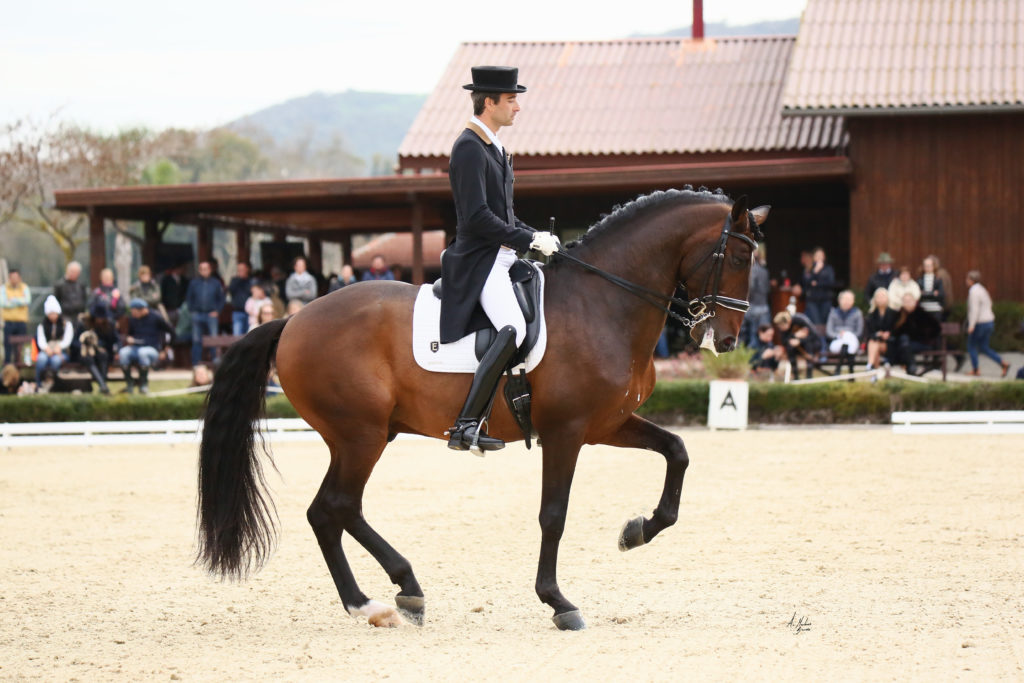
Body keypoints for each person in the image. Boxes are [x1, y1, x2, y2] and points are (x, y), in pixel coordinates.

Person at [441, 65, 559, 451]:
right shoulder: (469, 147)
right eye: (511, 99)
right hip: (481, 261)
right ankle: (465, 425)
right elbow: (477, 217)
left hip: (503, 257)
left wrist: (537, 237)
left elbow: (504, 217)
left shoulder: (495, 148)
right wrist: (527, 238)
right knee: (514, 327)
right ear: (489, 102)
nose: (517, 107)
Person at [118, 298, 175, 394]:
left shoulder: (155, 317)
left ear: (142, 310)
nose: (132, 314)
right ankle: (129, 383)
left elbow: (172, 332)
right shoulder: (133, 319)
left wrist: (165, 350)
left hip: (151, 348)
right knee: (123, 353)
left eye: (134, 311)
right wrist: (129, 339)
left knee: (143, 353)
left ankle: (143, 384)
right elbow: (130, 334)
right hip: (135, 347)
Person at [964, 270, 1011, 377]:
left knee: (971, 346)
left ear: (971, 280)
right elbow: (990, 303)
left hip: (980, 323)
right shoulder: (982, 289)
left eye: (967, 279)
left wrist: (971, 325)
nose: (966, 281)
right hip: (989, 321)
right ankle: (1002, 363)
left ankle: (976, 369)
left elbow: (974, 309)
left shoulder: (973, 291)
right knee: (984, 347)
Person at [185, 261, 225, 366]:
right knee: (196, 340)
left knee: (213, 340)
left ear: (210, 270)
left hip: (211, 315)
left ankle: (216, 363)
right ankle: (196, 364)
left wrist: (217, 311)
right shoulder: (194, 283)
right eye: (202, 269)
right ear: (199, 271)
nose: (204, 271)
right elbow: (189, 298)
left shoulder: (216, 283)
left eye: (206, 269)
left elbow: (221, 299)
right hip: (197, 314)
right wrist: (192, 311)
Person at [892, 293, 940, 375]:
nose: (908, 303)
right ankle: (912, 368)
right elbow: (894, 332)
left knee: (905, 345)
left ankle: (911, 367)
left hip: (921, 343)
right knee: (904, 340)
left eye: (909, 301)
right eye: (905, 301)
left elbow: (936, 328)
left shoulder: (922, 313)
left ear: (915, 302)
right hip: (904, 344)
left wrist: (928, 337)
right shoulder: (899, 315)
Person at [34, 295, 73, 392]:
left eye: (54, 313)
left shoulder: (66, 324)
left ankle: (54, 385)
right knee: (41, 359)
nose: (52, 316)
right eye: (50, 313)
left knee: (55, 361)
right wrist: (46, 348)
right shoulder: (42, 325)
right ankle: (39, 384)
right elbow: (41, 340)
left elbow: (67, 339)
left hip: (61, 351)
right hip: (47, 350)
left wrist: (59, 347)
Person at [78, 305, 117, 395]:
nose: (100, 320)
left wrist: (100, 346)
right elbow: (76, 341)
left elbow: (114, 340)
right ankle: (103, 386)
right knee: (88, 358)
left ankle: (102, 386)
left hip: (102, 352)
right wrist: (86, 344)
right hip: (86, 352)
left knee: (104, 355)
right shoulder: (84, 324)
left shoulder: (109, 325)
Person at [773, 310, 823, 379]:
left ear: (788, 321)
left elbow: (814, 335)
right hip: (797, 348)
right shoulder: (782, 328)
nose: (781, 328)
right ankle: (796, 376)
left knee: (808, 344)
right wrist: (795, 336)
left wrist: (800, 341)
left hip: (812, 344)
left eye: (782, 326)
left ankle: (809, 375)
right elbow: (784, 341)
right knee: (790, 347)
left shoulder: (800, 320)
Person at [825, 290, 864, 376]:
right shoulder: (833, 312)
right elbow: (829, 331)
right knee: (845, 344)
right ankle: (851, 373)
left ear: (853, 301)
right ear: (839, 300)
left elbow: (859, 332)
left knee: (848, 341)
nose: (846, 301)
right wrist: (839, 335)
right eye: (844, 299)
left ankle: (838, 369)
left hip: (852, 340)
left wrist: (847, 334)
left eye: (849, 299)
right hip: (838, 340)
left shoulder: (857, 313)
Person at [739, 243, 771, 347]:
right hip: (764, 307)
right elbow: (767, 289)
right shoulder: (764, 270)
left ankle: (748, 355)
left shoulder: (751, 269)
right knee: (763, 335)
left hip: (752, 306)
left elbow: (751, 288)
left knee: (749, 336)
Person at [1, 268, 31, 365]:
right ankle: (7, 367)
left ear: (19, 278)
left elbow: (27, 301)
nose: (14, 279)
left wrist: (12, 300)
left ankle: (21, 367)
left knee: (21, 347)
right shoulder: (4, 288)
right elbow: (3, 303)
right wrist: (19, 301)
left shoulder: (24, 287)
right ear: (9, 278)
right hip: (8, 322)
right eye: (12, 277)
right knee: (7, 346)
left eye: (16, 277)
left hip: (21, 322)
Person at [864, 287, 898, 372]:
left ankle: (871, 367)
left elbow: (897, 330)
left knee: (875, 344)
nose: (881, 299)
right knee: (874, 343)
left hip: (890, 343)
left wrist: (888, 334)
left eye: (883, 296)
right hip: (875, 341)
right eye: (878, 297)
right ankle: (871, 366)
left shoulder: (894, 314)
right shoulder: (871, 315)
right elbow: (869, 332)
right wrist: (878, 334)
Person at [801, 246, 835, 325]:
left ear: (824, 257)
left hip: (825, 299)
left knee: (824, 322)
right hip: (812, 300)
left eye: (821, 255)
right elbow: (806, 282)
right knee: (816, 322)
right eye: (817, 255)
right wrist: (815, 272)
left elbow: (831, 283)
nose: (819, 257)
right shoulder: (809, 269)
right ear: (814, 257)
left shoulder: (828, 269)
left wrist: (817, 283)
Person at [227, 261, 254, 335]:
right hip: (237, 312)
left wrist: (244, 279)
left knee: (250, 335)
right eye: (239, 270)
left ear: (247, 269)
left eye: (242, 269)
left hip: (249, 313)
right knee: (237, 336)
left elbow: (253, 293)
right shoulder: (234, 280)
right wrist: (239, 279)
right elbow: (231, 290)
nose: (241, 271)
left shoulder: (251, 281)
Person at [916, 256, 946, 320]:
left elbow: (941, 294)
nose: (927, 268)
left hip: (936, 309)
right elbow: (918, 294)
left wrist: (925, 293)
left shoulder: (938, 279)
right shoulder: (919, 280)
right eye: (925, 266)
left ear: (933, 266)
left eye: (929, 266)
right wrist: (933, 293)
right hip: (923, 309)